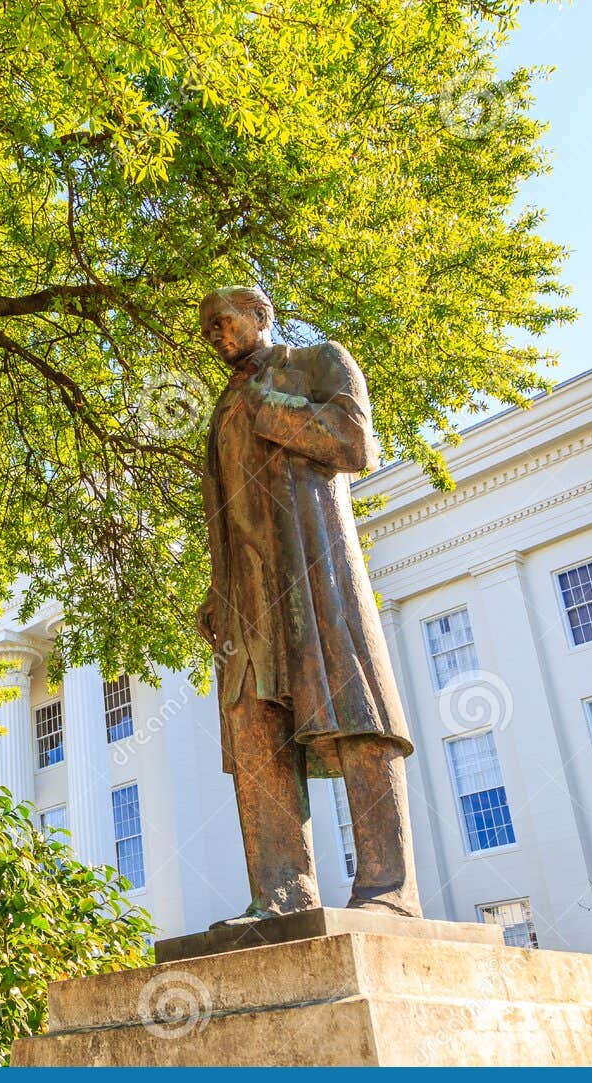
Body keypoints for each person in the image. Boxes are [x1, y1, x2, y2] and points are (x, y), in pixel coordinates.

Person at [196, 285, 421, 921]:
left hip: (314, 564)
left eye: (225, 322)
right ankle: (281, 896)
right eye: (208, 331)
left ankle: (388, 890)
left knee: (357, 712)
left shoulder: (318, 361)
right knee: (254, 728)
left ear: (261, 315)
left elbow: (355, 442)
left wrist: (266, 404)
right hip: (246, 590)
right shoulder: (222, 409)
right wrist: (216, 588)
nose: (218, 337)